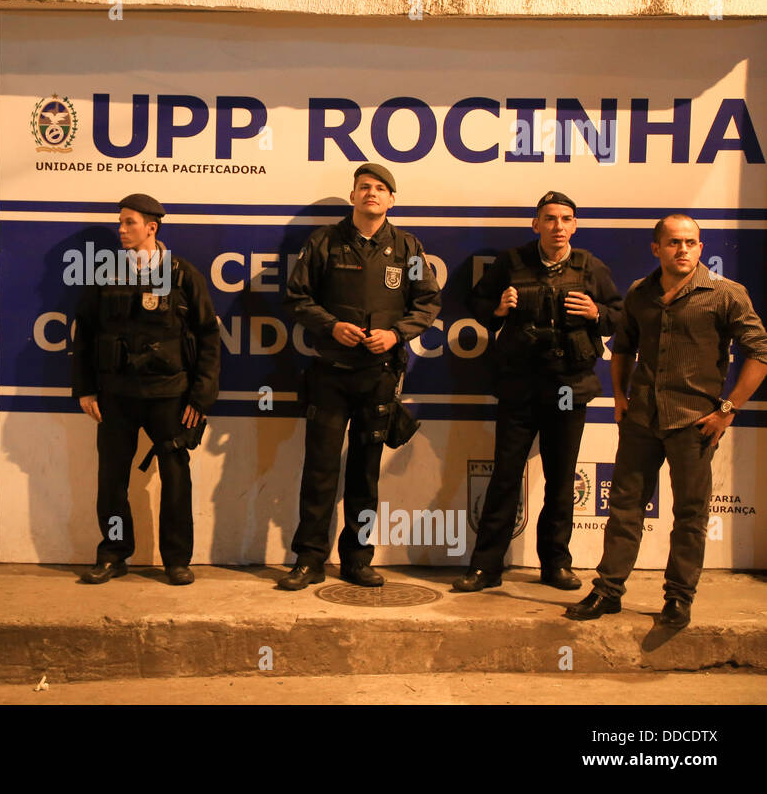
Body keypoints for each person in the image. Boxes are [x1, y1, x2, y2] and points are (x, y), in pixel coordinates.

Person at [568, 215, 767, 629]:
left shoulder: (725, 294)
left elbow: (760, 353)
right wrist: (620, 397)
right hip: (641, 419)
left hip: (695, 423)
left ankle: (678, 598)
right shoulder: (640, 293)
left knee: (691, 516)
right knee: (624, 508)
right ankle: (608, 590)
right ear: (656, 248)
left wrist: (727, 410)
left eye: (691, 242)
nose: (683, 250)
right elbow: (622, 347)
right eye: (674, 242)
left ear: (700, 246)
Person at [279, 164, 442, 590]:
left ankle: (357, 558)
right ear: (352, 196)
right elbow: (297, 297)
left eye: (381, 189)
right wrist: (330, 326)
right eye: (364, 187)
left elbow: (427, 303)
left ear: (392, 200)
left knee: (365, 475)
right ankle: (309, 559)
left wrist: (395, 334)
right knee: (319, 472)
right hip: (330, 375)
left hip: (378, 377)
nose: (372, 193)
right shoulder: (325, 243)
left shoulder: (407, 249)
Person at [454, 192, 623, 593]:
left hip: (569, 388)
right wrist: (498, 308)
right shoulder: (511, 264)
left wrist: (596, 313)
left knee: (562, 480)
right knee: (505, 478)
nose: (558, 226)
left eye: (566, 219)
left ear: (575, 226)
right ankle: (485, 567)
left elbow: (619, 316)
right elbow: (476, 304)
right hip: (520, 389)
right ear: (536, 225)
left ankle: (555, 564)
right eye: (549, 219)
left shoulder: (591, 268)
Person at [72, 194, 220, 585]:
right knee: (112, 480)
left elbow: (208, 337)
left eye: (129, 222)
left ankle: (176, 560)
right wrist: (86, 389)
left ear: (151, 227)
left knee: (175, 478)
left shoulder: (185, 275)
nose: (120, 230)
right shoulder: (104, 274)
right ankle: (115, 554)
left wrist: (200, 398)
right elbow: (84, 334)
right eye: (120, 223)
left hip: (169, 396)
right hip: (115, 397)